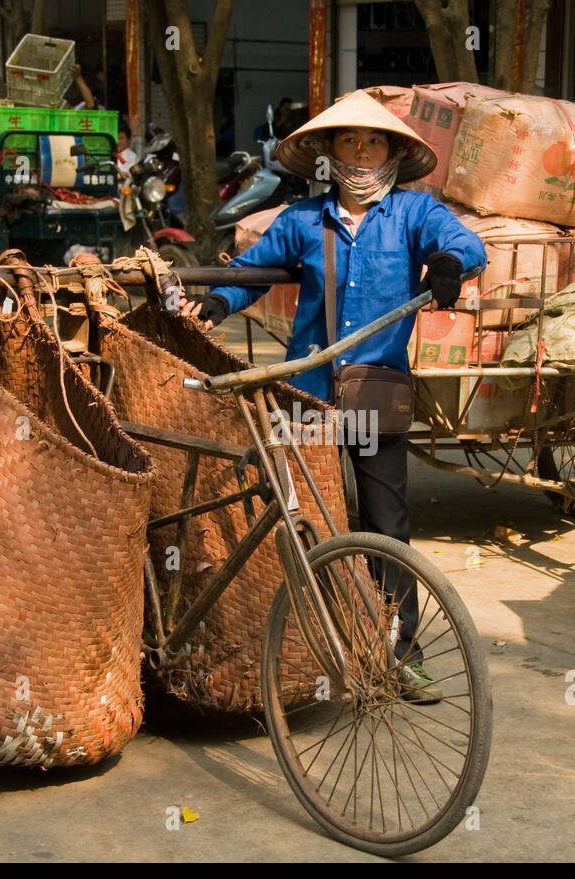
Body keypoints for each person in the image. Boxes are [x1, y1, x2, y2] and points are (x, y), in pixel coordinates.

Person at [178, 90, 486, 703]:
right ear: (328, 152)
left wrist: (449, 264)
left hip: (376, 393)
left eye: (374, 141)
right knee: (302, 522)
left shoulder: (412, 214)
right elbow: (249, 271)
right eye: (349, 141)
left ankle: (402, 653)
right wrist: (215, 303)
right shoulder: (300, 221)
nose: (362, 151)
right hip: (310, 395)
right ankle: (302, 646)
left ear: (392, 151)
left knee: (386, 526)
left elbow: (467, 245)